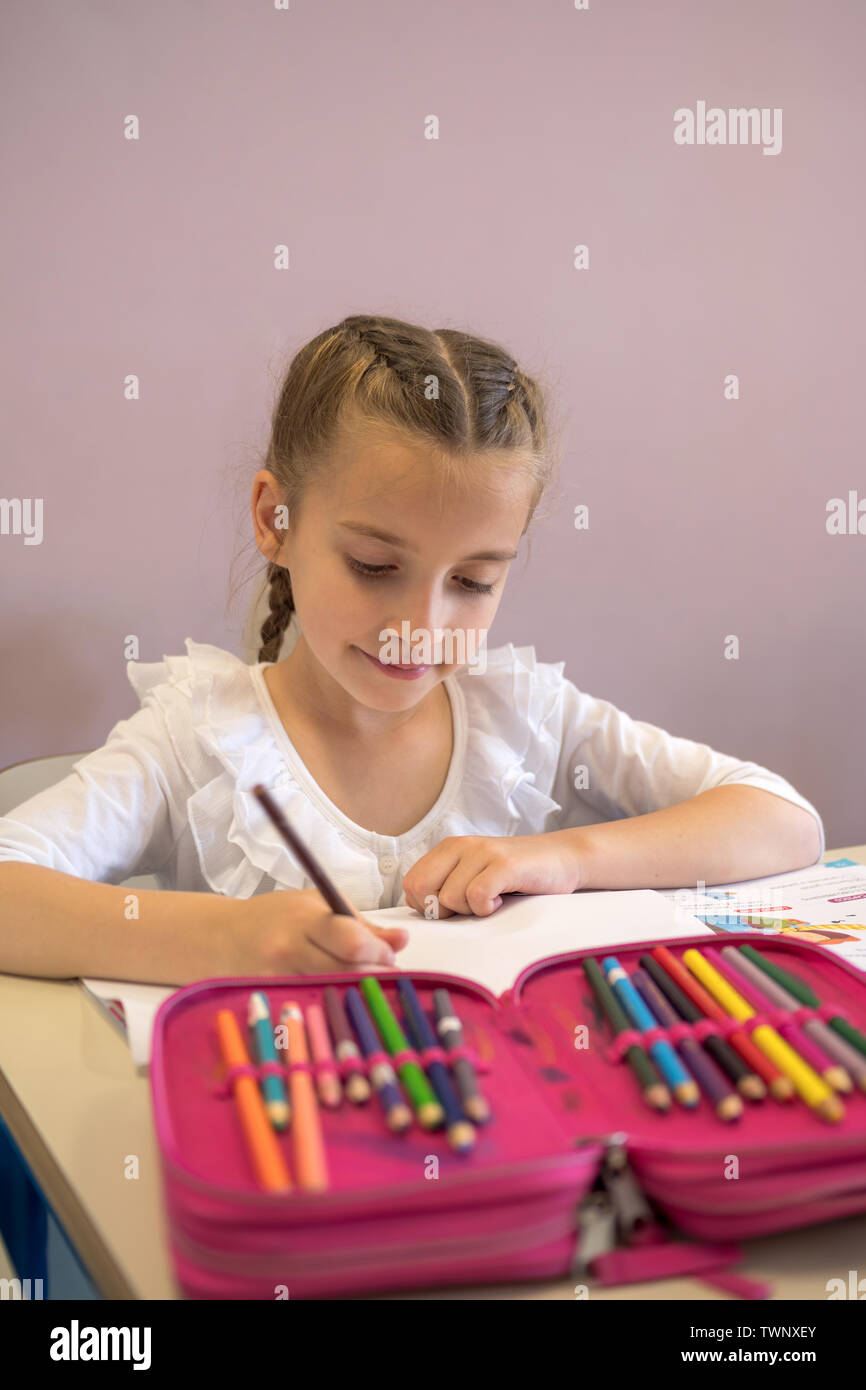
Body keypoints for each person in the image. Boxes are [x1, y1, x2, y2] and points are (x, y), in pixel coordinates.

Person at [0, 315, 824, 984]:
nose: (419, 625)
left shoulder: (527, 720)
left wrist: (566, 856)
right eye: (374, 567)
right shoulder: (199, 742)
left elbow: (783, 823)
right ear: (273, 520)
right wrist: (225, 940)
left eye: (472, 581)